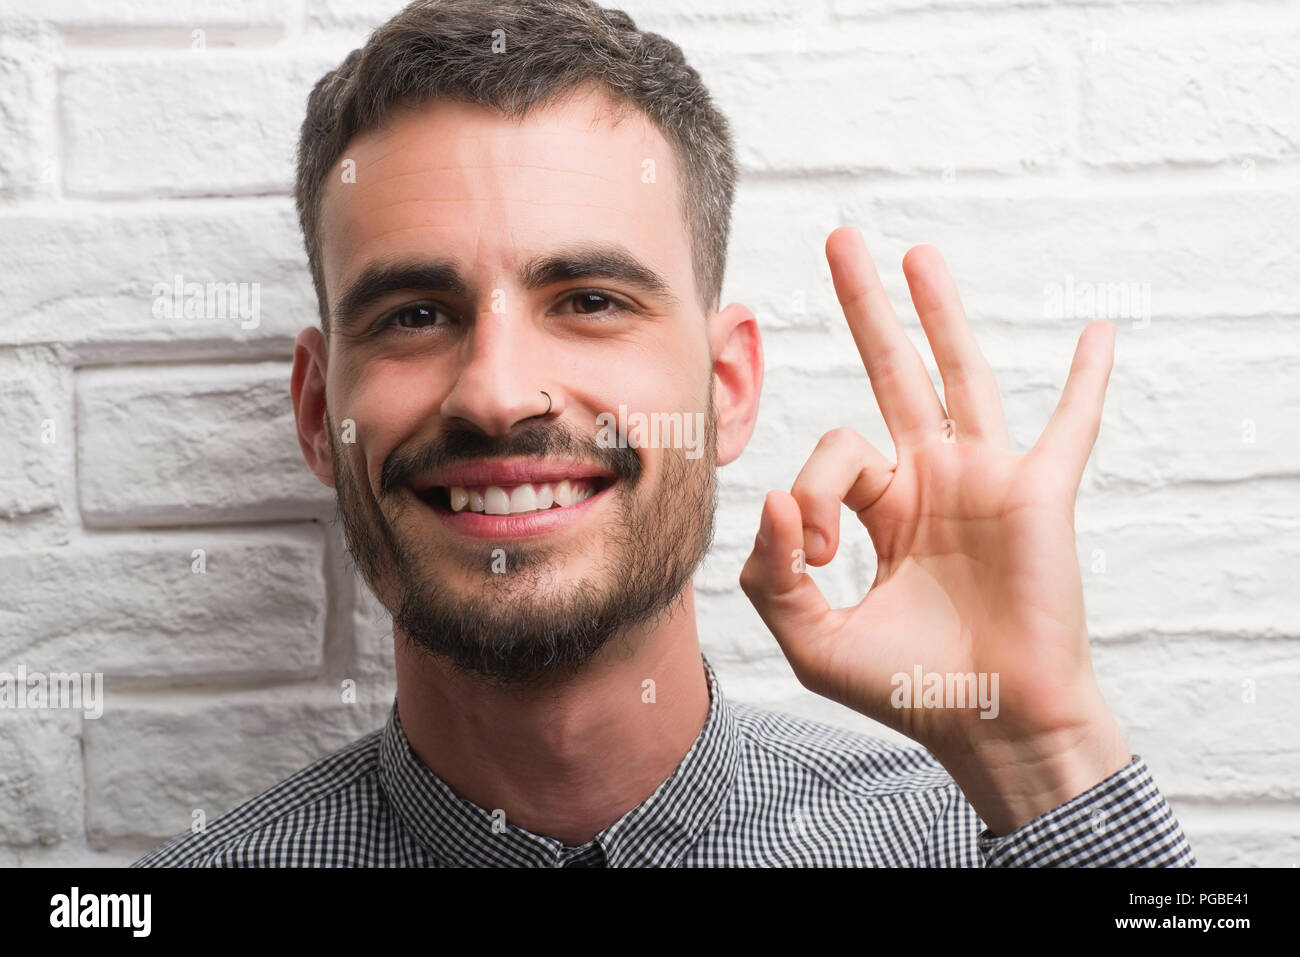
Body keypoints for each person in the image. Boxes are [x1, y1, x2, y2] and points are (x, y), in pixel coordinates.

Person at [134, 0, 1194, 867]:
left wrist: (1044, 760)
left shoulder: (989, 843)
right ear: (321, 415)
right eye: (414, 314)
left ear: (725, 389)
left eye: (589, 300)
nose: (498, 394)